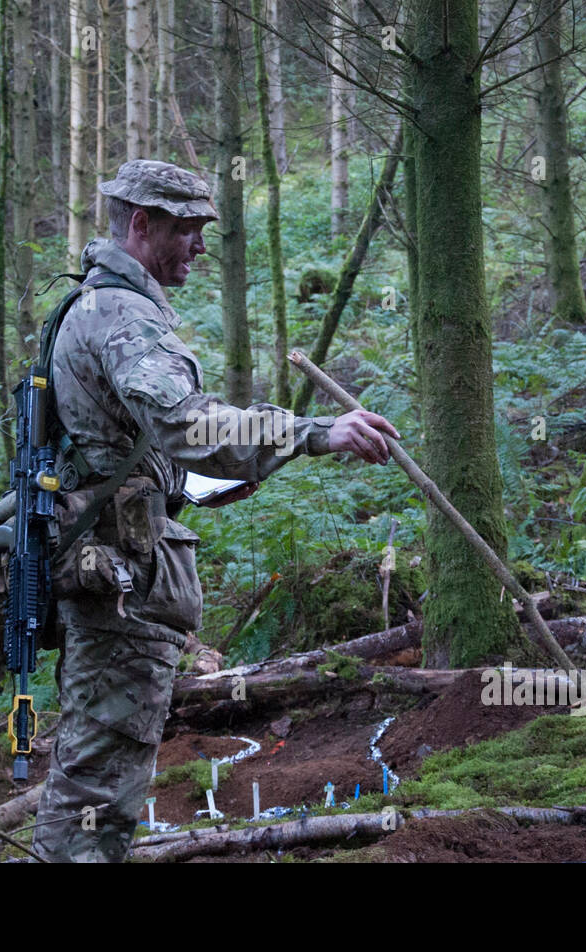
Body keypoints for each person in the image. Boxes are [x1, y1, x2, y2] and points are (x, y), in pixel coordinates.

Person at [30, 159, 398, 862]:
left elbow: (123, 450)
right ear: (141, 226)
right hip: (121, 589)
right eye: (187, 229)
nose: (200, 246)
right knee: (97, 788)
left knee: (95, 775)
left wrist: (187, 485)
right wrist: (313, 433)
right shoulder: (121, 317)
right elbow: (186, 424)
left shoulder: (94, 305)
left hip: (113, 572)